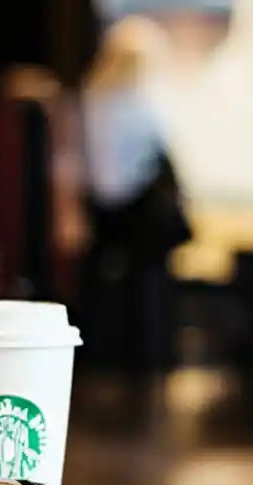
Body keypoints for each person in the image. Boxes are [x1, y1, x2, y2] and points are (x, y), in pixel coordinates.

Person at [80, 16, 190, 374]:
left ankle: (107, 356)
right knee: (150, 286)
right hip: (141, 210)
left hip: (100, 208)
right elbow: (165, 147)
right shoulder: (144, 102)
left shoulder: (90, 98)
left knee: (107, 287)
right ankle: (149, 357)